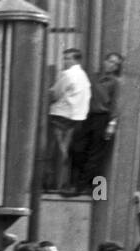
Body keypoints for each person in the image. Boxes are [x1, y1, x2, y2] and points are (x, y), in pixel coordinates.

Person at [68, 52, 122, 197]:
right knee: (76, 149)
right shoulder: (92, 77)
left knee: (95, 155)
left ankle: (81, 188)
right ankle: (87, 185)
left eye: (116, 64)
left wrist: (112, 124)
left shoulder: (115, 82)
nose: (112, 65)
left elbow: (116, 103)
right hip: (86, 116)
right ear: (104, 61)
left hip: (102, 118)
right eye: (110, 61)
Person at [44, 48, 89, 194]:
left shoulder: (68, 74)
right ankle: (63, 183)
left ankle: (51, 184)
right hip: (76, 117)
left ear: (76, 60)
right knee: (66, 151)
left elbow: (55, 93)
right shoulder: (83, 76)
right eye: (64, 58)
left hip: (60, 115)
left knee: (56, 151)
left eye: (68, 58)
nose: (65, 61)